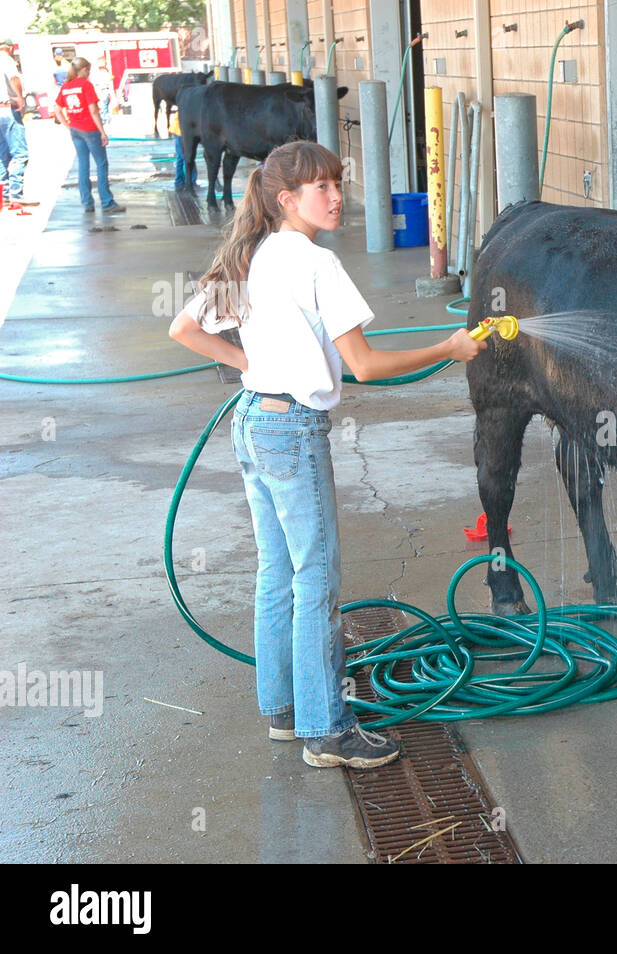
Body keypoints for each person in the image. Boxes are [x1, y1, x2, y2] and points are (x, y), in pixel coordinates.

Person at [167, 141, 486, 769]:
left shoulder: (249, 252)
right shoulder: (315, 263)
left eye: (338, 182)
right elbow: (365, 366)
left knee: (277, 572)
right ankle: (327, 730)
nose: (337, 196)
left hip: (254, 418)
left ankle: (284, 711)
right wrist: (447, 348)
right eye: (322, 188)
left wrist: (246, 363)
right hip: (293, 429)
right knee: (316, 579)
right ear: (287, 199)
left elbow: (183, 328)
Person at [54, 57, 125, 214]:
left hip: (75, 130)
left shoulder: (65, 86)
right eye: (88, 70)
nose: (89, 73)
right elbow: (93, 110)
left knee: (83, 165)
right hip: (90, 129)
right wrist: (102, 132)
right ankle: (107, 202)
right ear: (84, 70)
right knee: (101, 164)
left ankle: (87, 203)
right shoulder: (86, 85)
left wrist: (68, 126)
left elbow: (57, 110)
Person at [0, 38, 37, 207]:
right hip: (8, 110)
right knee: (20, 154)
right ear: (11, 48)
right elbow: (14, 78)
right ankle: (16, 195)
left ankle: (5, 194)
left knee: (2, 155)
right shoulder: (6, 59)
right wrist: (20, 98)